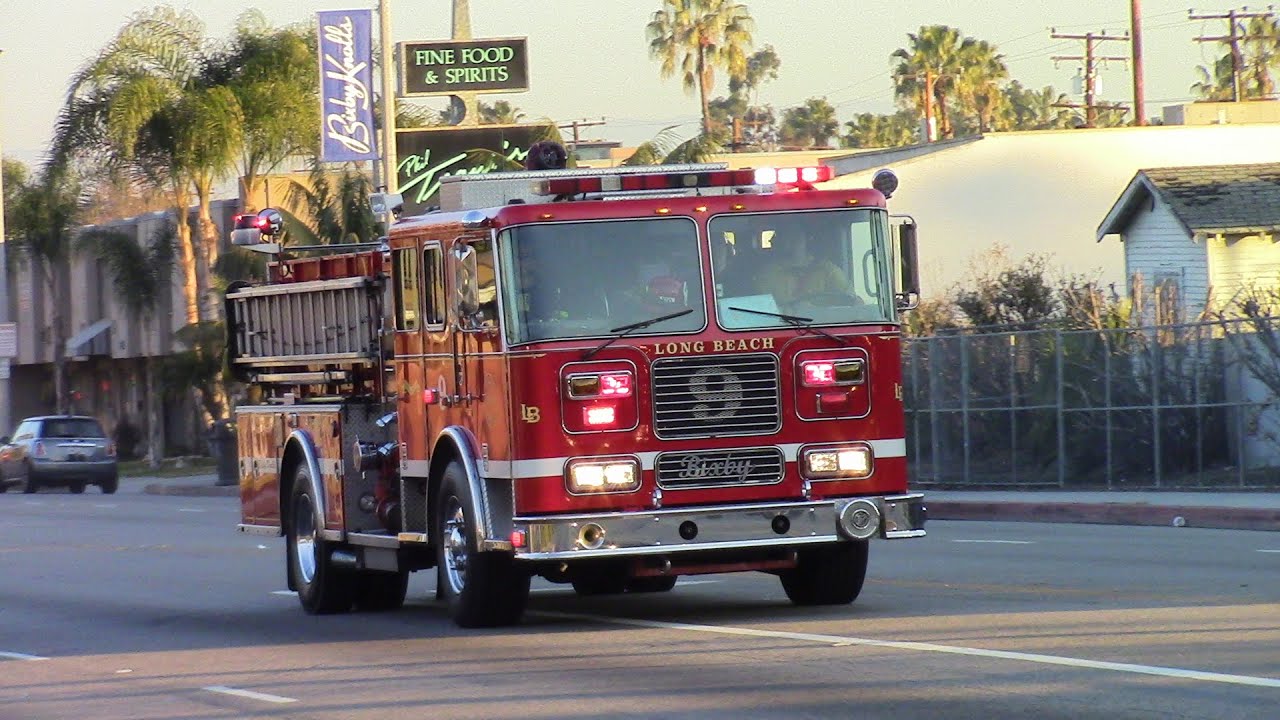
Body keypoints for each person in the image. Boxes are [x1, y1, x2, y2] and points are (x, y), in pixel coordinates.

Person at [756, 232, 853, 306]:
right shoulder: (769, 274)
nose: (789, 244)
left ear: (807, 242)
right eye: (785, 238)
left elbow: (851, 302)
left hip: (823, 328)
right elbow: (762, 310)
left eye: (796, 239)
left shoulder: (828, 271)